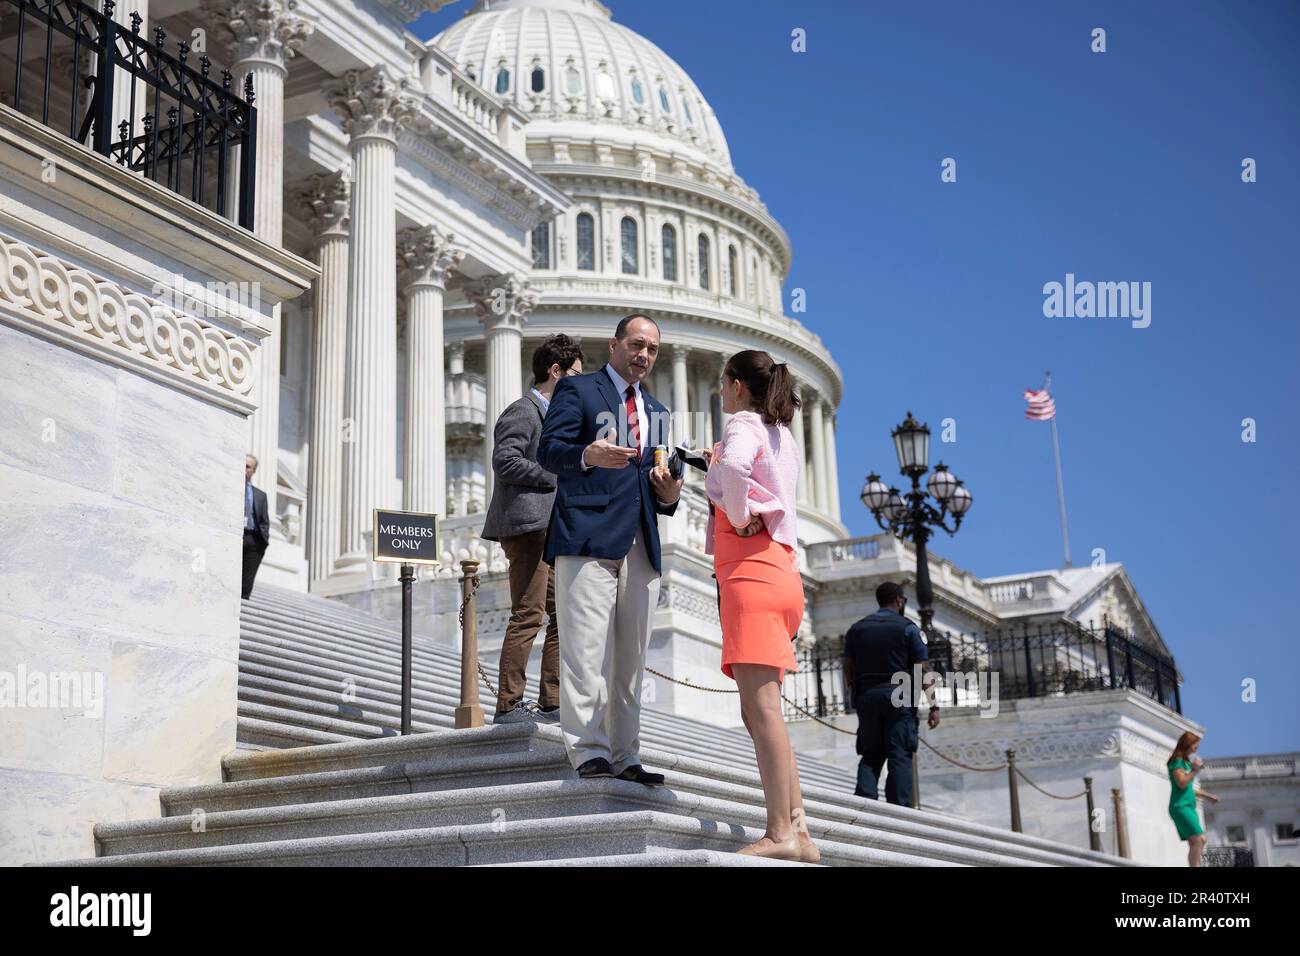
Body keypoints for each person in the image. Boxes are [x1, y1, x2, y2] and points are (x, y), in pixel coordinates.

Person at [537, 314, 684, 786]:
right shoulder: (578, 391)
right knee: (585, 650)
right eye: (636, 344)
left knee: (631, 658)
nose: (644, 355)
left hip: (641, 540)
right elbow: (548, 450)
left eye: (652, 349)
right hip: (588, 532)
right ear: (615, 344)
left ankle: (627, 754)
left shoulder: (658, 411)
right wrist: (586, 455)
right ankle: (588, 750)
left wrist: (670, 492)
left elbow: (659, 484)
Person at [700, 349, 816, 862]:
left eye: (724, 384)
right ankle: (800, 830)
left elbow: (737, 467)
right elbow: (741, 469)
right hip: (781, 572)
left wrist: (738, 506)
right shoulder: (779, 433)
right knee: (761, 711)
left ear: (736, 384)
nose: (721, 392)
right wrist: (721, 472)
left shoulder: (744, 423)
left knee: (762, 709)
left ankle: (780, 835)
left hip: (751, 568)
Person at [481, 334, 584, 724]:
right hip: (526, 526)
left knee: (564, 616)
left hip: (553, 528)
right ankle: (509, 704)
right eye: (574, 374)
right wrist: (552, 474)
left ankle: (552, 701)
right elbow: (504, 461)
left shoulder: (558, 417)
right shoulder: (522, 411)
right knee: (528, 612)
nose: (578, 383)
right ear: (554, 372)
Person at [841, 582, 939, 806]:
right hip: (900, 696)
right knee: (899, 754)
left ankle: (865, 804)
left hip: (868, 695)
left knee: (871, 753)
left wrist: (854, 690)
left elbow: (847, 664)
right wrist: (934, 705)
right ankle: (898, 810)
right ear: (898, 600)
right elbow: (923, 668)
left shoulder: (858, 628)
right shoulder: (908, 628)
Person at [1167, 731, 1220, 866]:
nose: (1197, 747)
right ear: (1188, 744)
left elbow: (1189, 788)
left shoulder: (1184, 762)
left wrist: (1208, 796)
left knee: (1197, 840)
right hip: (1180, 806)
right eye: (1195, 744)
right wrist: (1194, 770)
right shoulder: (1177, 761)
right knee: (1199, 839)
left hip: (1188, 806)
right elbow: (1181, 782)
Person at [241, 454, 270, 600]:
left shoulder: (261, 495)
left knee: (246, 584)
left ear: (253, 470)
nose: (243, 468)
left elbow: (265, 520)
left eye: (247, 466)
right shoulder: (230, 488)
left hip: (254, 540)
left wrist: (263, 541)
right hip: (236, 534)